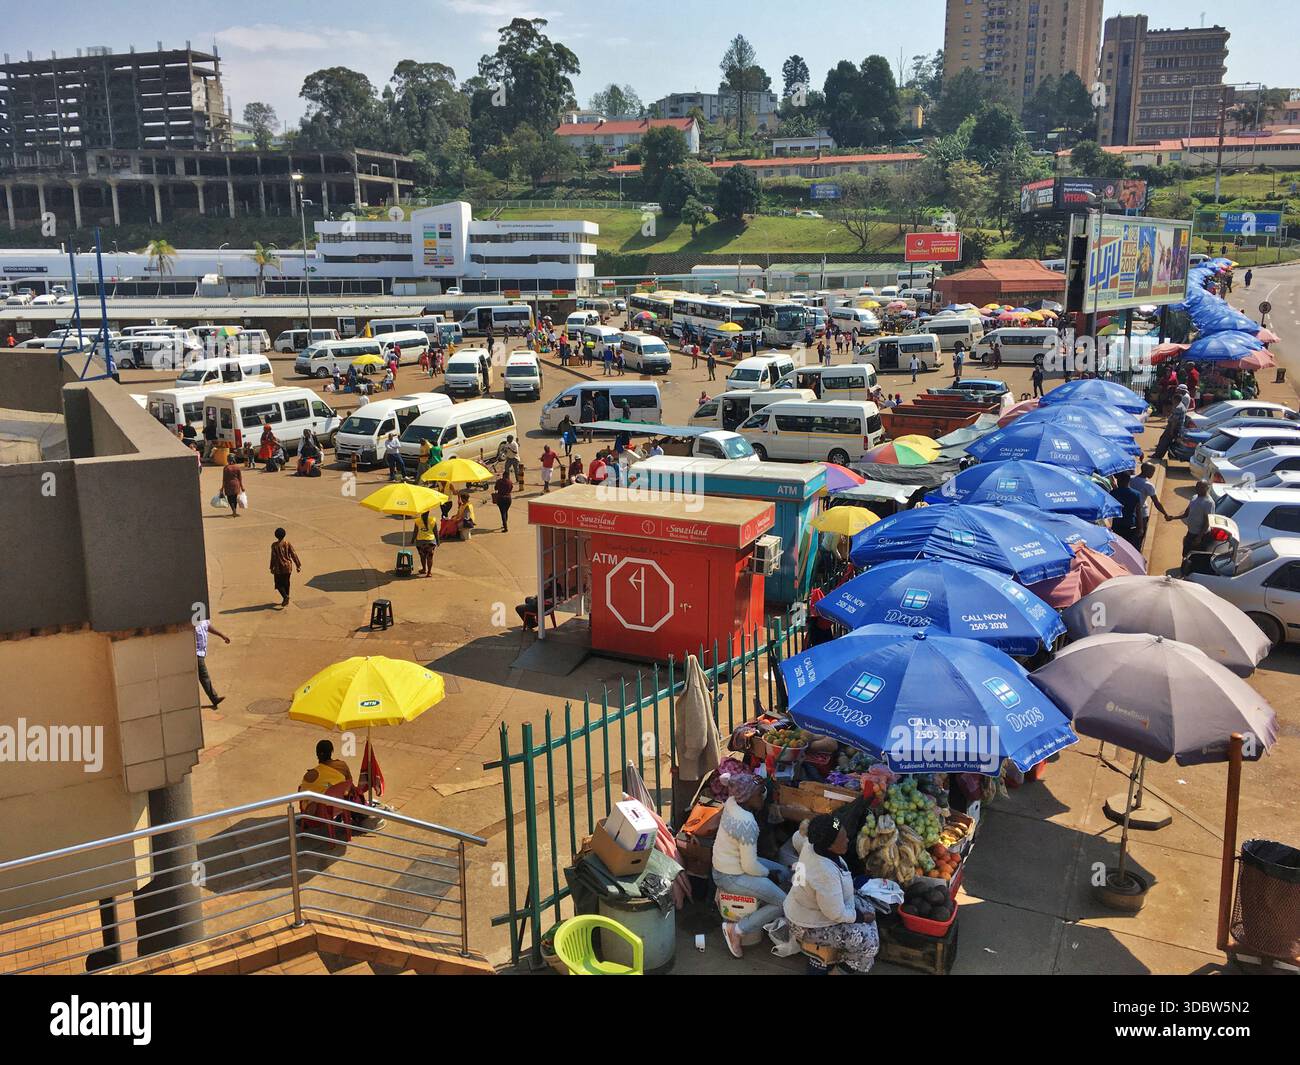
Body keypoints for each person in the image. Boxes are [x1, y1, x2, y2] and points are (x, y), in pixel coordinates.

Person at [782, 812, 878, 974]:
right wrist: (861, 917)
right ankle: (840, 970)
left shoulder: (810, 844)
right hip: (807, 926)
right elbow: (836, 913)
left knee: (868, 907)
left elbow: (797, 838)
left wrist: (803, 829)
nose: (848, 840)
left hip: (802, 906)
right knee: (870, 943)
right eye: (843, 839)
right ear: (830, 845)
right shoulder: (825, 873)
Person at [712, 772, 789, 959]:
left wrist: (772, 873)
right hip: (731, 875)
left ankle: (765, 919)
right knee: (784, 903)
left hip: (726, 865)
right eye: (758, 793)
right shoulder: (747, 822)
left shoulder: (731, 802)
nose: (762, 795)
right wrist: (769, 874)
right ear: (746, 797)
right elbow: (750, 866)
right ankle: (737, 930)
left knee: (785, 872)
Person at [1170, 480, 1215, 576]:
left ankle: (1191, 575)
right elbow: (1186, 513)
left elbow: (1207, 522)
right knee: (1185, 554)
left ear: (1207, 488)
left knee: (1196, 557)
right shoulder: (1194, 497)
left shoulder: (1209, 502)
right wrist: (1173, 517)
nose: (1197, 489)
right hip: (1190, 532)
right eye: (1197, 486)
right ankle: (1184, 572)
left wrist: (1199, 537)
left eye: (1201, 487)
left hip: (1200, 536)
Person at [194, 617, 230, 708]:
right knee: (204, 676)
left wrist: (222, 635)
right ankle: (214, 698)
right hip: (196, 654)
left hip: (201, 653)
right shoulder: (191, 623)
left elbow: (208, 627)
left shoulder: (203, 619)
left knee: (202, 678)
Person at [1151, 385, 1190, 461]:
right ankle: (1159, 454)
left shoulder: (1178, 408)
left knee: (1164, 440)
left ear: (1176, 400)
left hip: (1174, 427)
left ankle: (1158, 455)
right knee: (1166, 440)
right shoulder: (1180, 406)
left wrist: (1171, 430)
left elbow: (1174, 421)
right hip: (1176, 426)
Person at [269, 527, 302, 607]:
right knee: (286, 583)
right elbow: (294, 554)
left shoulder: (274, 545)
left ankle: (285, 597)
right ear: (284, 535)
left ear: (276, 536)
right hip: (288, 567)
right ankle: (286, 598)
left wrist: (271, 567)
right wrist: (298, 565)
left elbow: (273, 557)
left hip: (278, 568)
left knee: (278, 584)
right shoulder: (287, 543)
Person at [1110, 471, 1143, 549]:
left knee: (1117, 547)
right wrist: (1140, 527)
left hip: (1116, 525)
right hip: (1130, 524)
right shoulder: (1136, 494)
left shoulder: (1113, 493)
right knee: (1129, 547)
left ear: (1120, 481)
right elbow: (1138, 512)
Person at [415, 508, 438, 576]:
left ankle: (424, 569)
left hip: (420, 542)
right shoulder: (432, 520)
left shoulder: (417, 521)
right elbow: (435, 532)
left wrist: (412, 540)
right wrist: (438, 541)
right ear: (428, 513)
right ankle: (429, 572)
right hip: (431, 542)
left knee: (422, 556)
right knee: (430, 557)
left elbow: (415, 532)